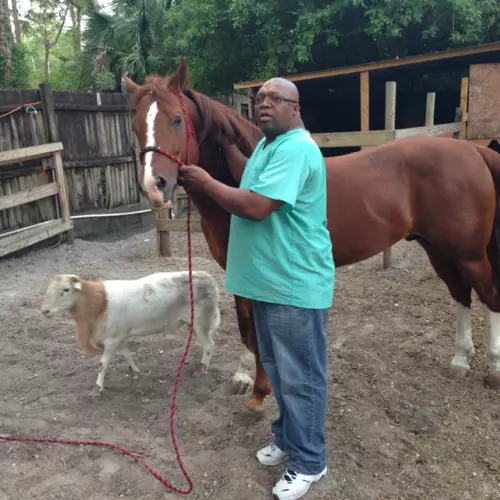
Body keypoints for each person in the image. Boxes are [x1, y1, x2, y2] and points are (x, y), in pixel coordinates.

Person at [178, 77, 335, 500]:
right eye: (259, 98)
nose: (263, 104)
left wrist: (205, 182)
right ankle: (287, 438)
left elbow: (257, 205)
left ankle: (309, 462)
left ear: (295, 108)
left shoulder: (298, 149)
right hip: (268, 283)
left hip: (292, 284)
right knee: (281, 373)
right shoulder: (270, 146)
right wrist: (227, 144)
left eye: (274, 99)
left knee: (301, 377)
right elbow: (251, 178)